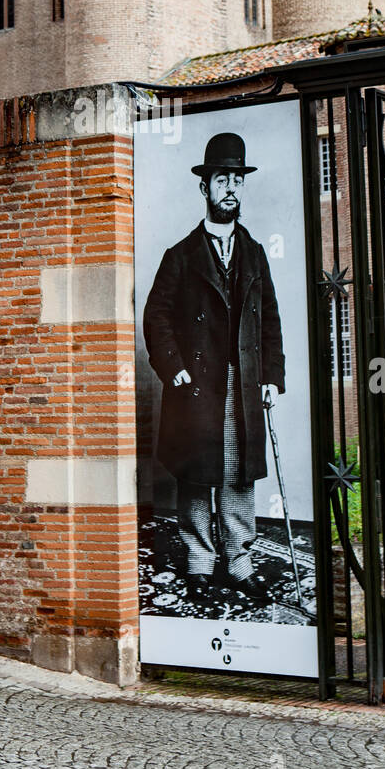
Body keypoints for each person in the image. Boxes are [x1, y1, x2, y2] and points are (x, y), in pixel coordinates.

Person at [143, 131, 285, 604]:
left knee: (239, 476)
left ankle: (240, 562)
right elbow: (156, 317)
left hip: (241, 384)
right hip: (197, 386)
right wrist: (174, 369)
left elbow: (270, 321)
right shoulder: (180, 256)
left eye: (236, 180)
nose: (229, 188)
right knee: (197, 476)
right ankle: (200, 562)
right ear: (204, 187)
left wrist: (270, 375)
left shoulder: (255, 254)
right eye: (221, 179)